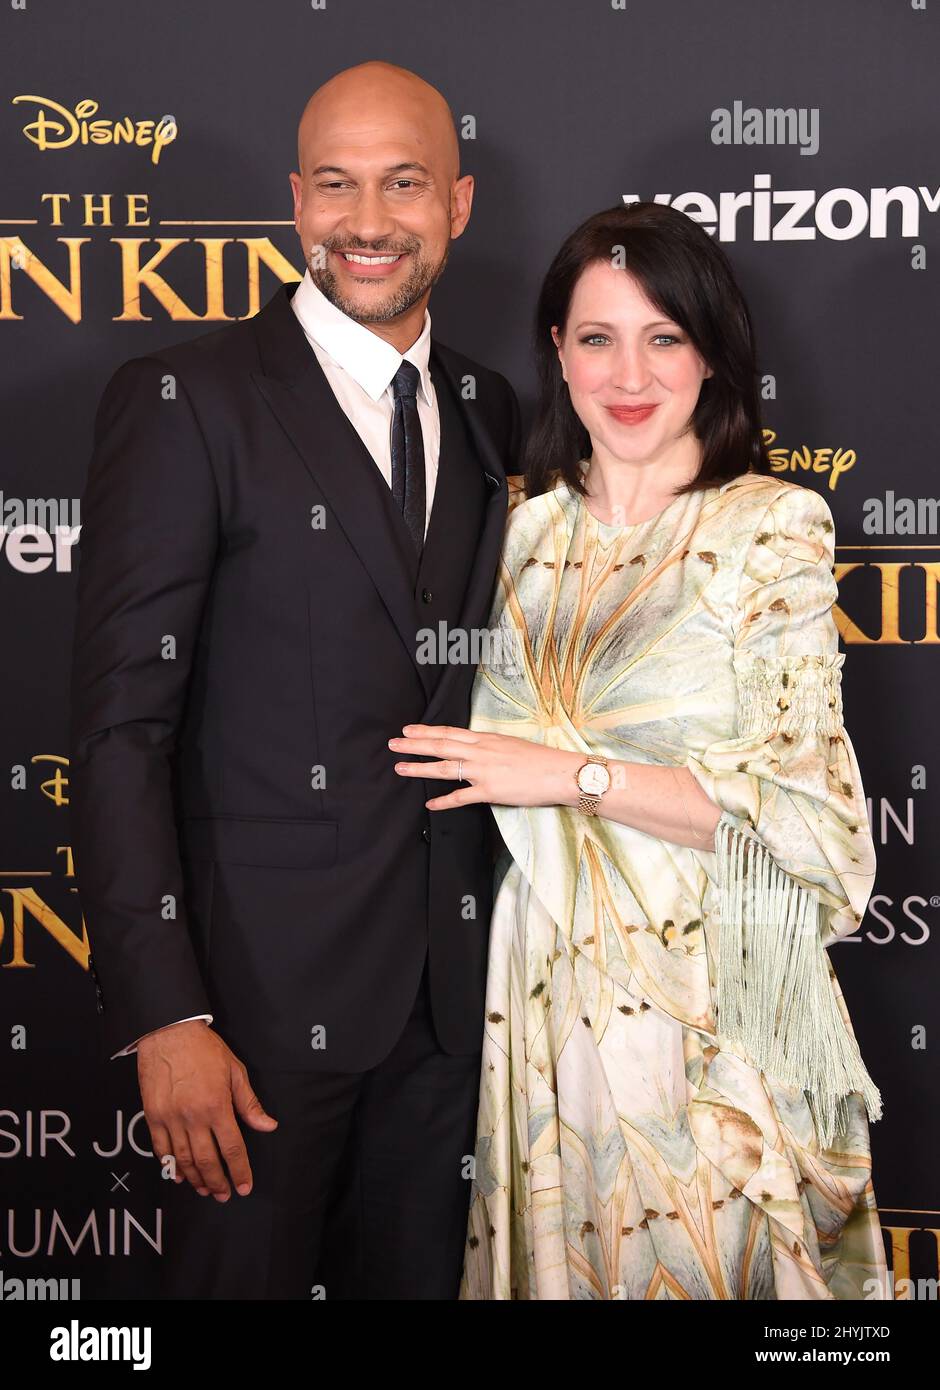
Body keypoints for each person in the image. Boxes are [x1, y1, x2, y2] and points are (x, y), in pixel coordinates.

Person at [68, 61, 520, 1300]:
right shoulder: (186, 402)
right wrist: (166, 1018)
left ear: (461, 203)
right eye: (335, 185)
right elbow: (118, 732)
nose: (367, 221)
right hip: (252, 1022)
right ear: (293, 201)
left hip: (458, 1011)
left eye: (403, 183)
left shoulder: (494, 409)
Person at [389, 202, 887, 1300]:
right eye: (597, 337)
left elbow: (814, 824)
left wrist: (572, 775)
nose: (630, 372)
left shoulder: (770, 528)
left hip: (707, 1012)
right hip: (534, 1003)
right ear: (556, 356)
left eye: (664, 337)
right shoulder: (511, 536)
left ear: (709, 355)